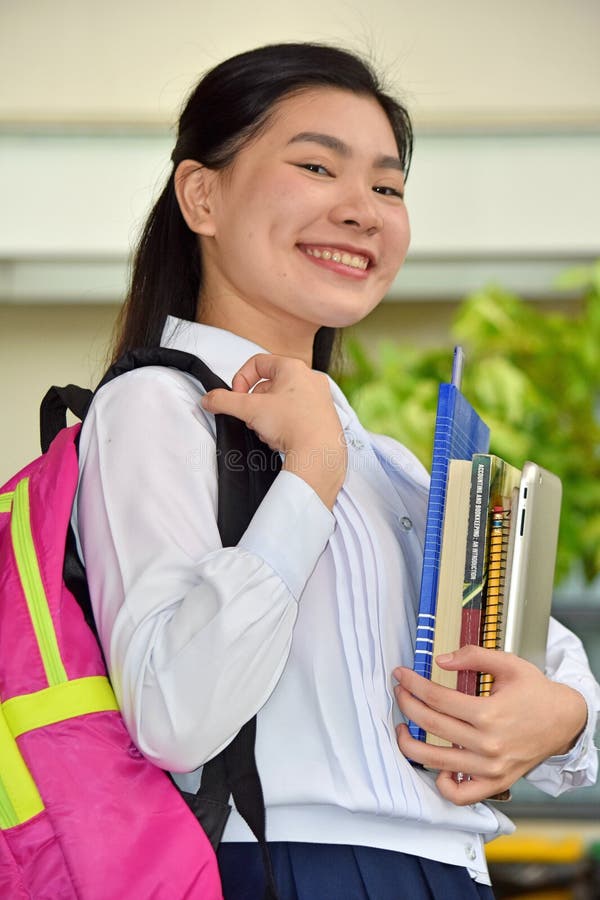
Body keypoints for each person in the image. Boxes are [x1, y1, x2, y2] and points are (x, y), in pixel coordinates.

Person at [73, 43, 600, 899]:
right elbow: (175, 715)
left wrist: (560, 717)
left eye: (388, 188)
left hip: (448, 874)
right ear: (201, 195)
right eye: (318, 166)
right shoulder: (155, 409)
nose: (363, 211)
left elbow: (551, 662)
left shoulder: (387, 464)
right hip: (285, 868)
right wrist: (307, 474)